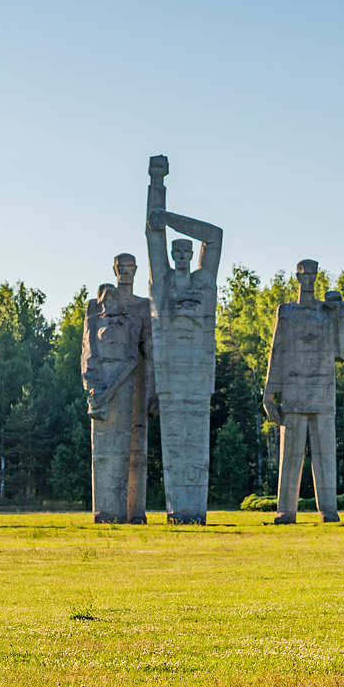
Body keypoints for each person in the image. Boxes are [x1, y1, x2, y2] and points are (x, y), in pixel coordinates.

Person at [144, 155, 223, 524]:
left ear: (193, 253)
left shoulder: (205, 282)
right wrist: (156, 184)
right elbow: (152, 233)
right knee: (175, 448)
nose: (180, 255)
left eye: (186, 251)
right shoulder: (161, 286)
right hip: (173, 377)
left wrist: (172, 218)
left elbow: (216, 235)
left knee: (198, 448)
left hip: (199, 376)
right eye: (176, 251)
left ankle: (197, 512)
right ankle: (179, 513)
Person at [263, 259, 344, 524]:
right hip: (292, 392)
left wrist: (341, 316)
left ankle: (329, 510)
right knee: (289, 459)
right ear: (298, 277)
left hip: (323, 393)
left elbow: (343, 354)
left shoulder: (328, 312)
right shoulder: (286, 312)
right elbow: (276, 352)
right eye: (305, 274)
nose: (309, 279)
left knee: (326, 457)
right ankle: (286, 510)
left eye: (313, 274)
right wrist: (269, 395)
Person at [81, 253, 154, 524]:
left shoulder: (142, 306)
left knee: (133, 450)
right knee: (104, 451)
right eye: (121, 268)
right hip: (103, 384)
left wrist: (153, 392)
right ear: (114, 269)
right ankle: (106, 510)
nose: (125, 272)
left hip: (132, 383)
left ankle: (133, 510)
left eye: (130, 268)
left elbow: (148, 352)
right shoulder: (95, 307)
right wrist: (93, 388)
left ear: (135, 270)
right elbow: (87, 349)